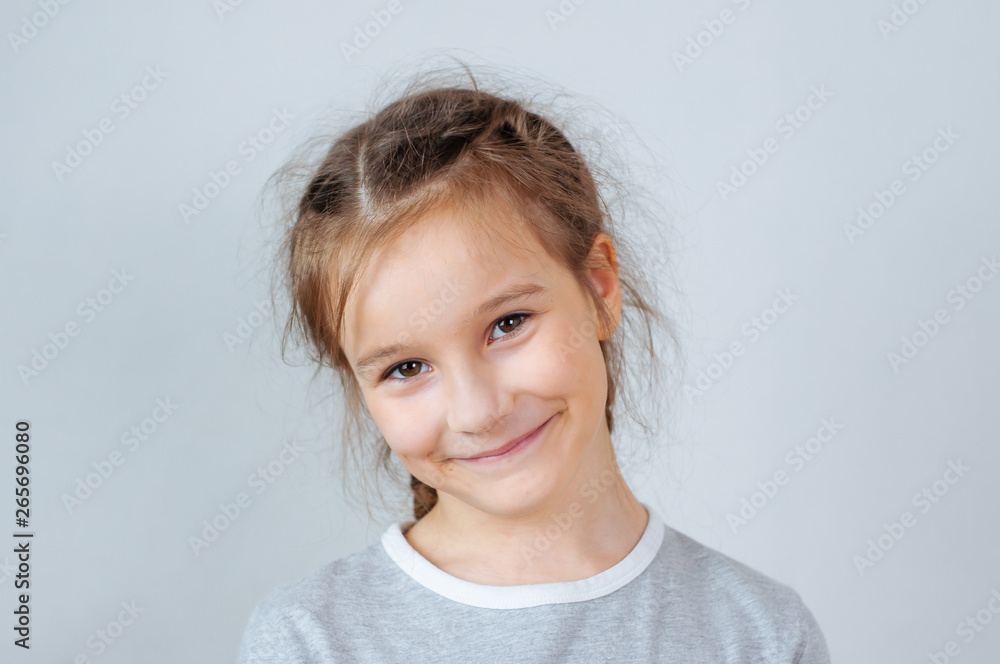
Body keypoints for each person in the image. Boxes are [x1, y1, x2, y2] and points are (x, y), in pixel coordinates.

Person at [236, 64, 831, 663]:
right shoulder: (309, 643)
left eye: (508, 324)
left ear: (599, 290)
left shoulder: (759, 635)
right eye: (407, 369)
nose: (478, 411)